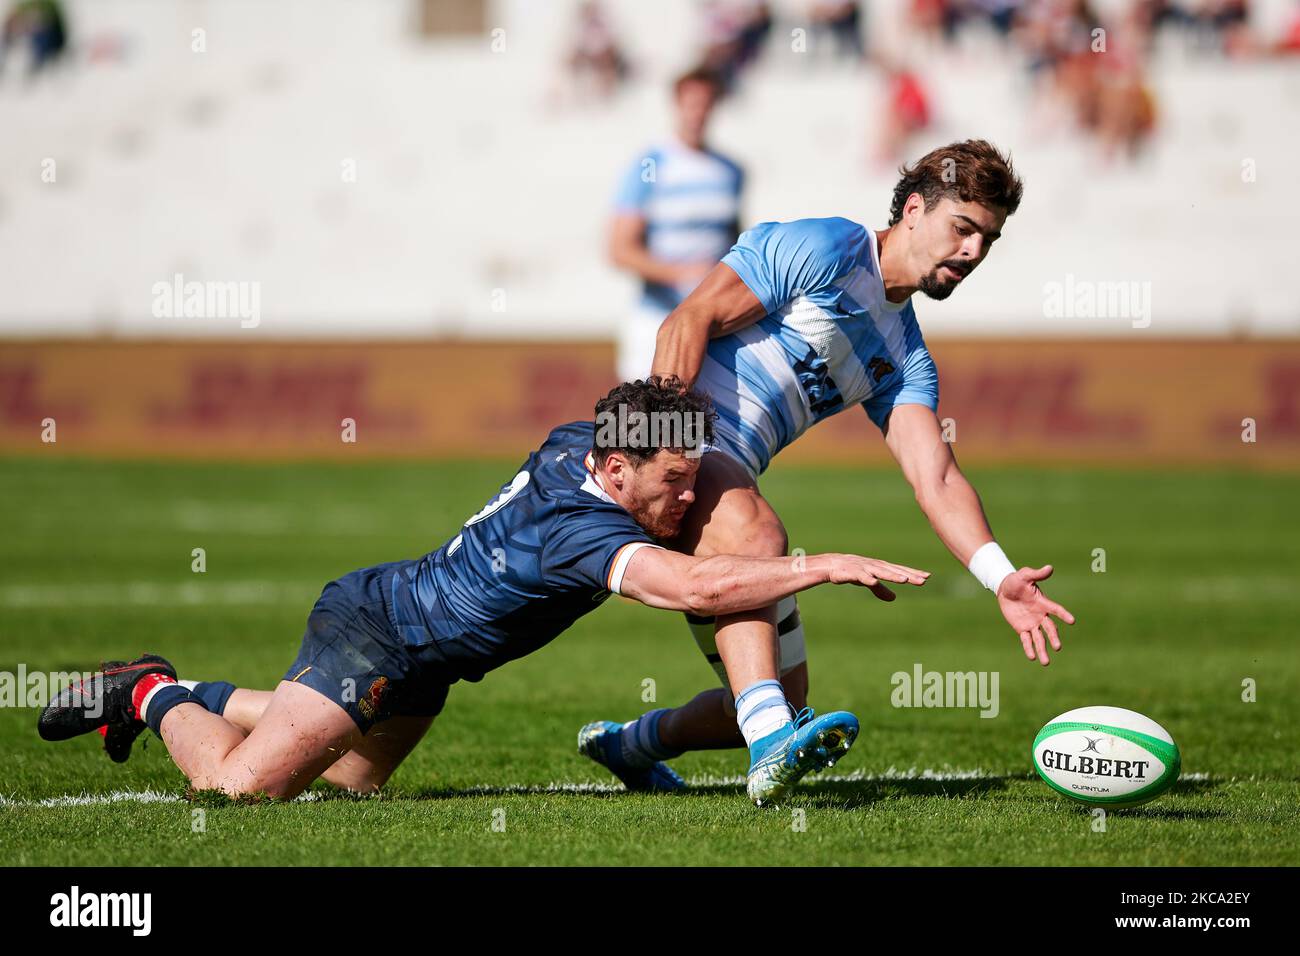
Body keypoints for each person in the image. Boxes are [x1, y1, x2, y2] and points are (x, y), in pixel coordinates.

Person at [38, 378, 929, 807]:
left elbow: (657, 452)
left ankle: (199, 694)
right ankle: (151, 688)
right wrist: (823, 563)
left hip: (425, 666)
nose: (689, 499)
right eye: (673, 483)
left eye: (692, 479)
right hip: (377, 634)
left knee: (349, 792)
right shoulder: (580, 535)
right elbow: (697, 583)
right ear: (614, 467)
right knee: (241, 793)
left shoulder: (580, 443)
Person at [580, 140, 1075, 792]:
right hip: (672, 451)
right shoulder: (828, 248)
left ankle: (632, 745)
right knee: (757, 536)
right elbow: (689, 317)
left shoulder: (905, 357)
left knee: (768, 701)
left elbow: (937, 478)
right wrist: (665, 458)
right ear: (916, 209)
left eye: (988, 239)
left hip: (713, 470)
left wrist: (1000, 576)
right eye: (963, 228)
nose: (973, 252)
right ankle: (773, 756)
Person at [609, 67, 744, 384]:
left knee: (700, 426)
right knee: (645, 425)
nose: (697, 113)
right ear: (676, 104)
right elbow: (620, 249)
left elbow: (735, 242)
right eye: (691, 103)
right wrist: (686, 274)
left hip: (711, 320)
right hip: (658, 315)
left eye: (705, 104)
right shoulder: (650, 165)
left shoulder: (731, 171)